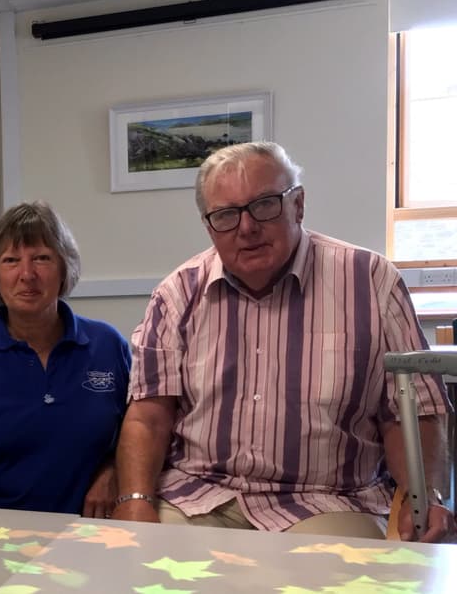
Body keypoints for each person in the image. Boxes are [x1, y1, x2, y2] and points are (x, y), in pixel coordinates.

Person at [115, 141, 455, 542]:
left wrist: (427, 496)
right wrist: (134, 498)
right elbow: (148, 417)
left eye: (264, 205)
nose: (247, 227)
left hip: (329, 501)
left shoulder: (371, 282)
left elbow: (413, 413)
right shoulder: (176, 295)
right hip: (195, 498)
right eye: (226, 215)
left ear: (298, 204)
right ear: (209, 226)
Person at [0, 202, 130, 522]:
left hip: (92, 527)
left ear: (64, 268)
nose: (27, 274)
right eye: (11, 261)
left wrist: (112, 471)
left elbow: (138, 435)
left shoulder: (108, 345)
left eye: (41, 258)